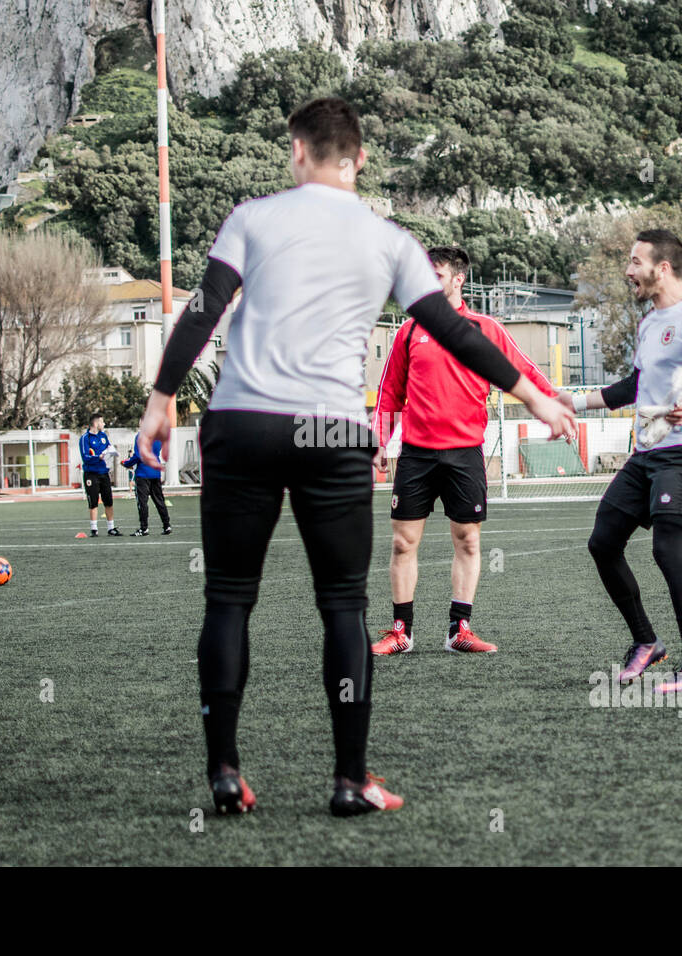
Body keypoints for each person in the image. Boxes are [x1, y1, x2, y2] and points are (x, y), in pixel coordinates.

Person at [135, 97, 575, 817]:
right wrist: (530, 393)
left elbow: (204, 307)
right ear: (360, 159)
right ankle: (350, 780)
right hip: (329, 433)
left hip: (242, 423)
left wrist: (161, 397)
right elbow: (455, 331)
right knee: (342, 606)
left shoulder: (251, 217)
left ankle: (223, 771)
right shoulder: (390, 239)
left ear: (297, 152)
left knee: (228, 600)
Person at [372, 246, 561, 656]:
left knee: (468, 541)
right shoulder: (409, 331)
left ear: (458, 279)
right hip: (417, 455)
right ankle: (400, 631)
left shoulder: (486, 328)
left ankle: (459, 629)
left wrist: (554, 407)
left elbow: (524, 372)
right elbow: (389, 392)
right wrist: (379, 439)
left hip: (465, 453)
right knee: (403, 543)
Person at [570, 229, 682, 695]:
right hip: (646, 454)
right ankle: (646, 641)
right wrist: (571, 403)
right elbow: (631, 389)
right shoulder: (647, 325)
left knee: (666, 550)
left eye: (635, 261)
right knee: (602, 543)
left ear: (662, 268)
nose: (628, 270)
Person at [122, 435, 171, 536]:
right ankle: (167, 525)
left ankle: (144, 528)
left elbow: (139, 455)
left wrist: (126, 463)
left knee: (142, 502)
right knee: (159, 500)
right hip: (155, 472)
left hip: (143, 473)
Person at [79, 414, 120, 535]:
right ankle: (94, 529)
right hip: (91, 474)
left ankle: (111, 528)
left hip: (104, 472)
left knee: (108, 501)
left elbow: (108, 448)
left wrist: (111, 453)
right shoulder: (85, 438)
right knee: (93, 501)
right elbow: (85, 457)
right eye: (102, 422)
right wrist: (99, 457)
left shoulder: (103, 436)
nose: (104, 424)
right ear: (96, 423)